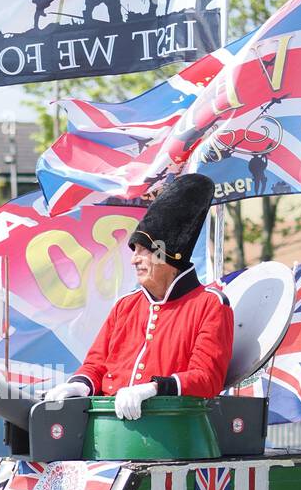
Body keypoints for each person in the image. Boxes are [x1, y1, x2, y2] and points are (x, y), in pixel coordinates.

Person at [43, 174, 233, 420]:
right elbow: (96, 364)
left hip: (169, 428)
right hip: (106, 427)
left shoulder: (210, 304)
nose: (134, 259)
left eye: (143, 250)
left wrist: (155, 388)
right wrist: (80, 385)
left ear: (168, 256)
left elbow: (207, 378)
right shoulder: (126, 306)